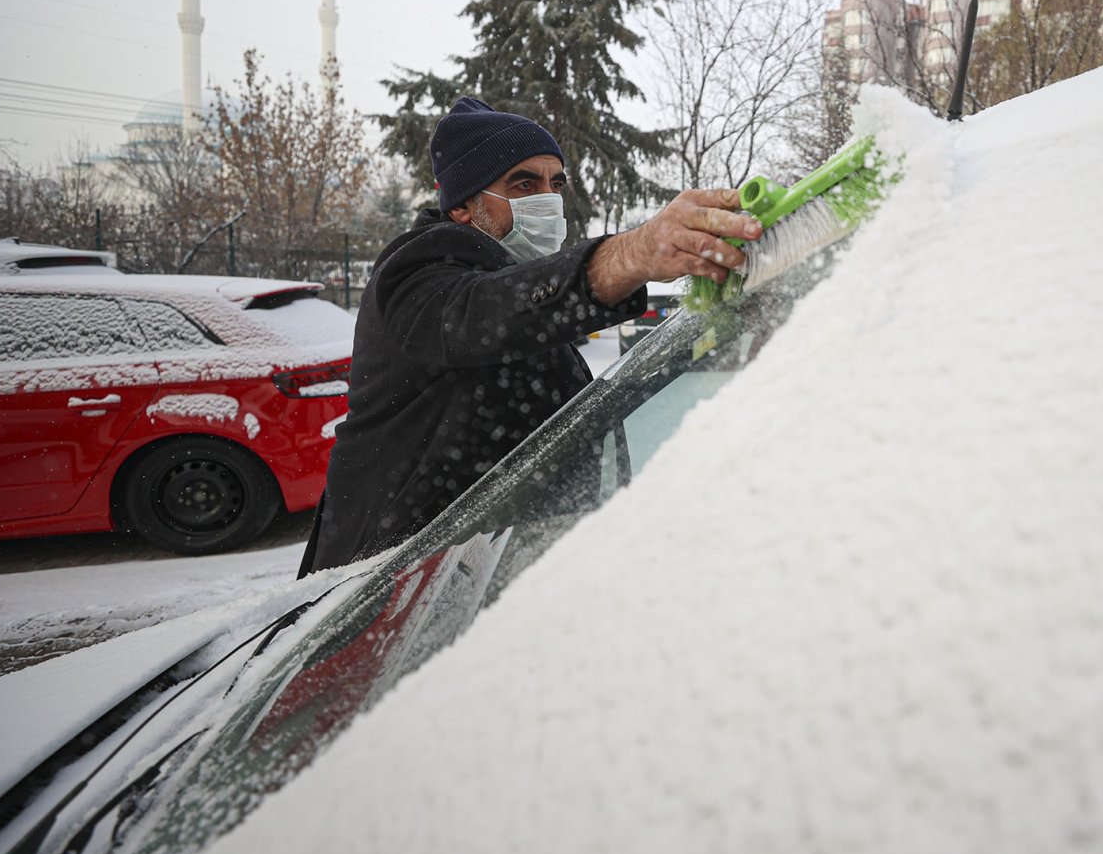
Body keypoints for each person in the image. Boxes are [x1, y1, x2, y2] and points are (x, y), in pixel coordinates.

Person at [298, 97, 762, 575]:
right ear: (462, 204)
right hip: (386, 594)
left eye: (555, 183)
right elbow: (484, 313)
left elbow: (564, 406)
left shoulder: (512, 277)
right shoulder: (417, 273)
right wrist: (636, 253)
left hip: (489, 573)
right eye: (523, 183)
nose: (547, 198)